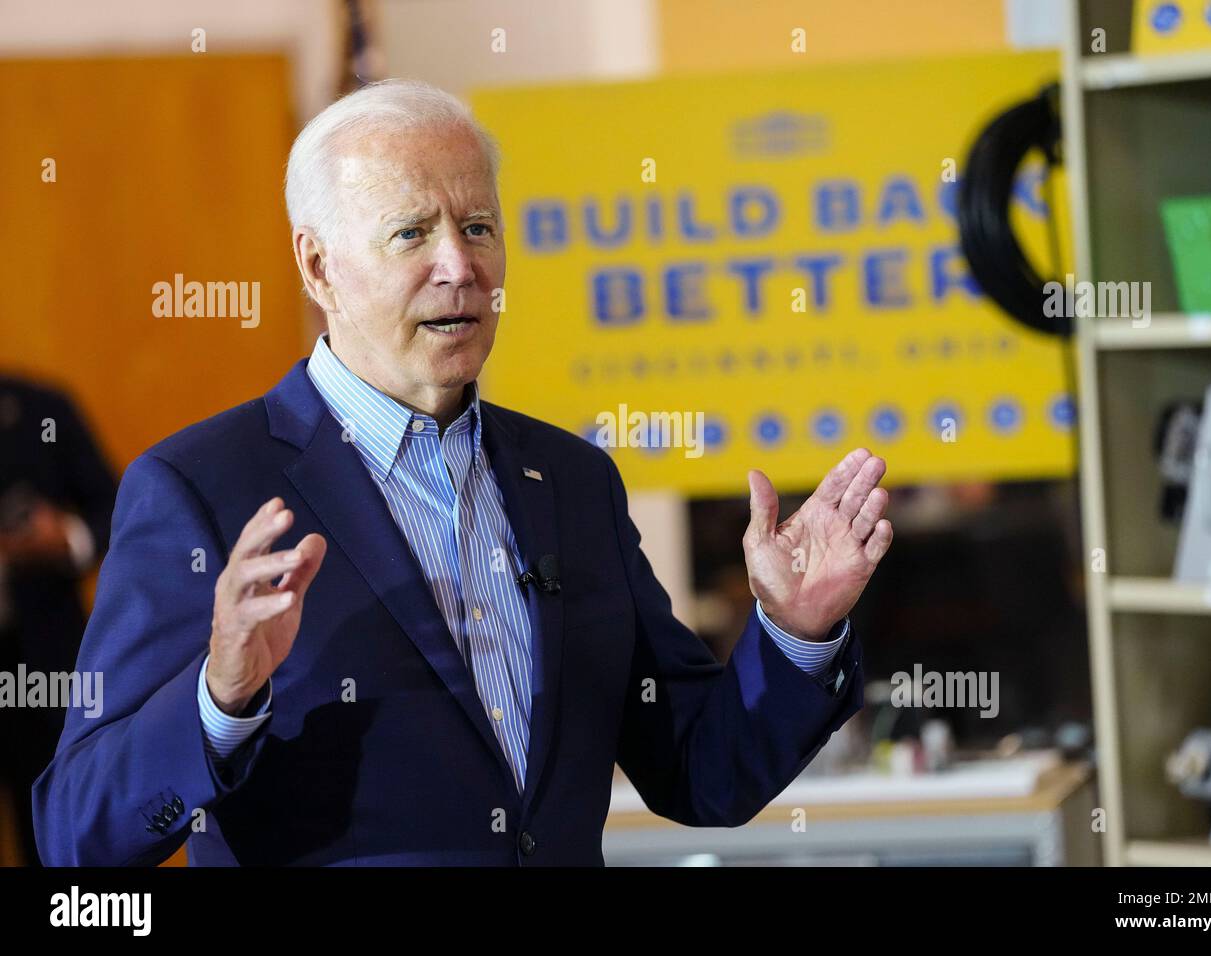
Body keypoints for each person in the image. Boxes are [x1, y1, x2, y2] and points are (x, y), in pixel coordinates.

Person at [32, 79, 893, 866]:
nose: (461, 267)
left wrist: (795, 636)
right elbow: (76, 834)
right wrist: (219, 698)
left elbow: (702, 774)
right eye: (412, 233)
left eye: (478, 226)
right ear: (318, 266)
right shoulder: (200, 490)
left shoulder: (574, 481)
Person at [0, 374, 117, 865]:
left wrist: (64, 539)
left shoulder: (39, 407)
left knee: (54, 837)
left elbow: (115, 510)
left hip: (41, 668)